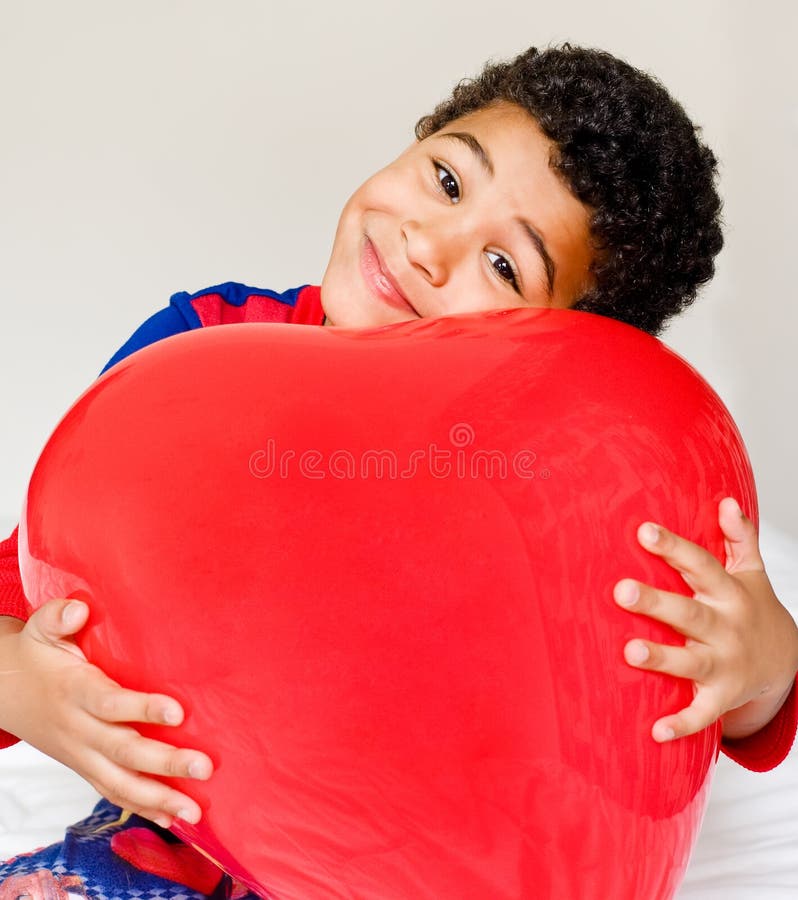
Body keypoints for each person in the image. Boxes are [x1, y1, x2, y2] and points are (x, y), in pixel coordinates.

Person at [0, 44, 796, 896]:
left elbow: (663, 685)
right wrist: (21, 691)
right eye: (449, 179)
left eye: (504, 265)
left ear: (564, 349)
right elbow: (30, 584)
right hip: (178, 845)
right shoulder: (192, 354)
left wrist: (764, 667)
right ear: (419, 138)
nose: (427, 245)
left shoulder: (554, 482)